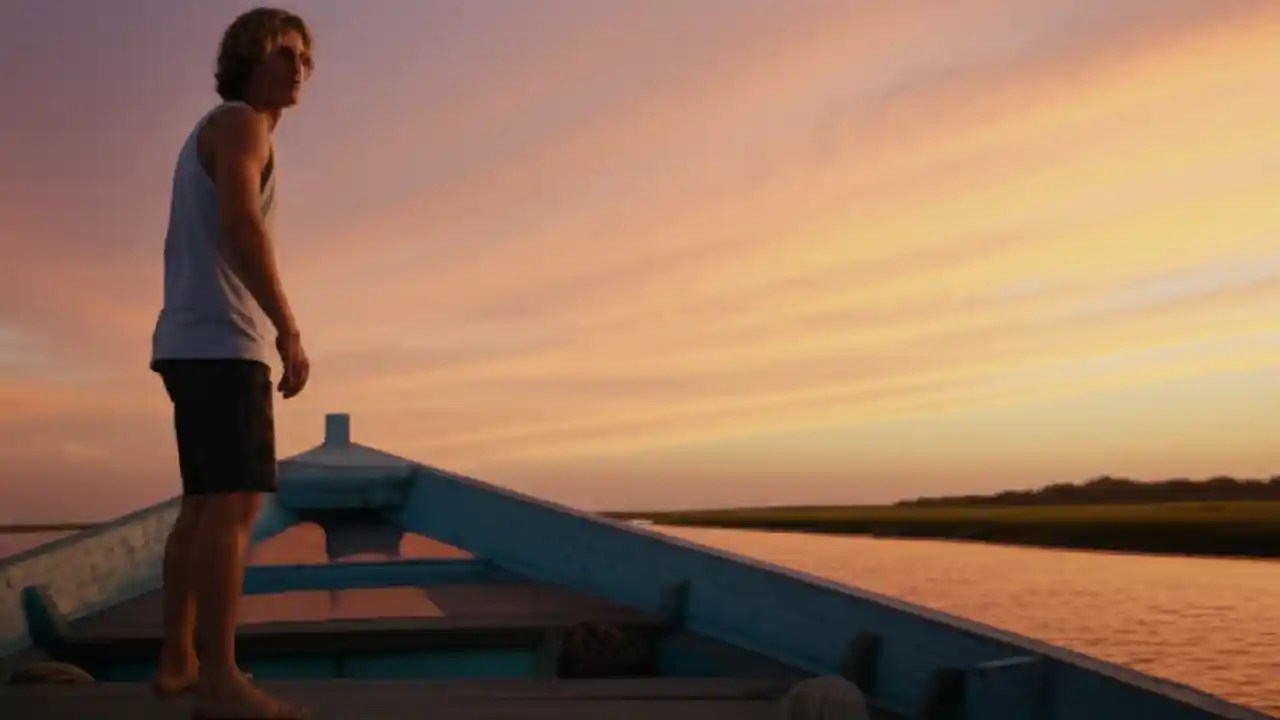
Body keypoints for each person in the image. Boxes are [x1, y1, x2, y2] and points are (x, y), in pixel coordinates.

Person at [148, 7, 313, 718]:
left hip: (187, 342)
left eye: (307, 57)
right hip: (224, 340)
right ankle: (221, 677)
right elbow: (242, 225)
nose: (299, 66)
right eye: (285, 51)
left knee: (202, 504)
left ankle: (178, 659)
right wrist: (288, 330)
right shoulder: (241, 122)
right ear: (250, 55)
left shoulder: (211, 132)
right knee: (235, 506)